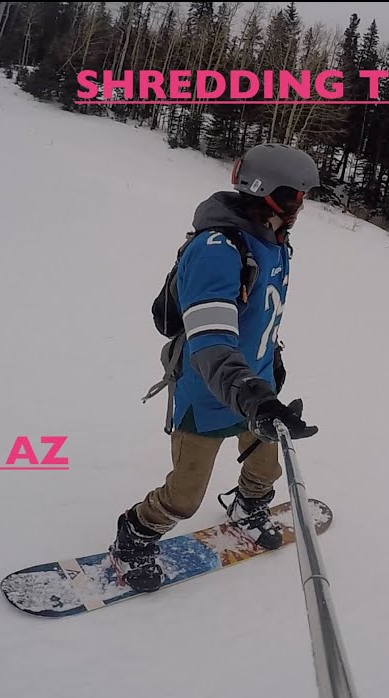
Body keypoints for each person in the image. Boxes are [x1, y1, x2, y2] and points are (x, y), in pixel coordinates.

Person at [111, 143, 322, 593]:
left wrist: (270, 366)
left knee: (265, 469)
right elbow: (209, 341)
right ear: (265, 192)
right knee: (185, 495)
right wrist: (252, 393)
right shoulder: (216, 250)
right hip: (208, 392)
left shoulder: (274, 242)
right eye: (294, 197)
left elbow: (262, 315)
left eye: (304, 197)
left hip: (253, 386)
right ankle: (136, 534)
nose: (300, 207)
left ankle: (248, 506)